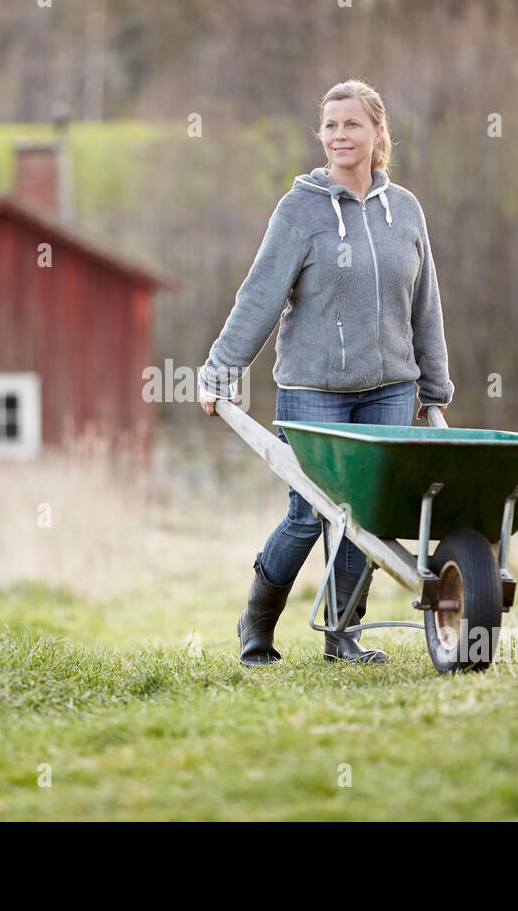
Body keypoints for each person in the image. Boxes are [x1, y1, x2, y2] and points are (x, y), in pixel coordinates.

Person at [198, 78, 454, 666]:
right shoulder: (299, 211)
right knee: (308, 513)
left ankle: (343, 635)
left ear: (377, 133)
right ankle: (255, 625)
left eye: (353, 124)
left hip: (390, 388)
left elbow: (426, 305)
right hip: (313, 391)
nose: (340, 135)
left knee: (366, 519)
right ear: (322, 134)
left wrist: (433, 387)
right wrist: (219, 371)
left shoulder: (405, 210)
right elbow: (259, 296)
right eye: (331, 125)